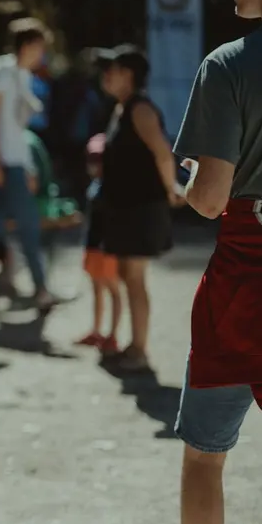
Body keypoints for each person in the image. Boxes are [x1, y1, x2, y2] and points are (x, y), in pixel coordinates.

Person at [173, 0, 262, 524]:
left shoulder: (228, 65)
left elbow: (210, 199)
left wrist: (188, 182)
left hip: (244, 280)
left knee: (205, 456)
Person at [95, 44, 179, 371]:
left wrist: (172, 189)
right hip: (124, 208)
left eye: (113, 69)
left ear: (128, 74)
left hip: (143, 208)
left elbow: (162, 152)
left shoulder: (140, 109)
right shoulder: (121, 108)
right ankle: (133, 345)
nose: (106, 76)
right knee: (127, 275)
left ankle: (140, 350)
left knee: (134, 277)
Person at [0, 17, 59, 310]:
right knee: (29, 227)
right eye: (39, 47)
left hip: (15, 162)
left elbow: (17, 129)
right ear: (28, 45)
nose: (42, 54)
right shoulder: (2, 72)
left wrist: (29, 167)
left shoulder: (22, 75)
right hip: (5, 163)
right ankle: (42, 290)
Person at [75, 133, 123, 356]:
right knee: (96, 288)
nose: (93, 165)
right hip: (93, 244)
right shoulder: (96, 184)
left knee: (113, 289)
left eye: (98, 160)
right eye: (91, 160)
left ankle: (112, 335)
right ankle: (96, 331)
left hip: (108, 247)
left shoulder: (115, 186)